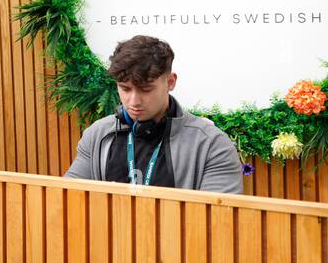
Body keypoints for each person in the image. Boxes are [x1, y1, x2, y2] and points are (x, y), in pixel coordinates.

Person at [64, 35, 243, 193]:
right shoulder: (96, 135)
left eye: (145, 89)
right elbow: (68, 199)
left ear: (171, 82)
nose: (133, 101)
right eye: (125, 89)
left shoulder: (212, 144)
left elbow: (218, 221)